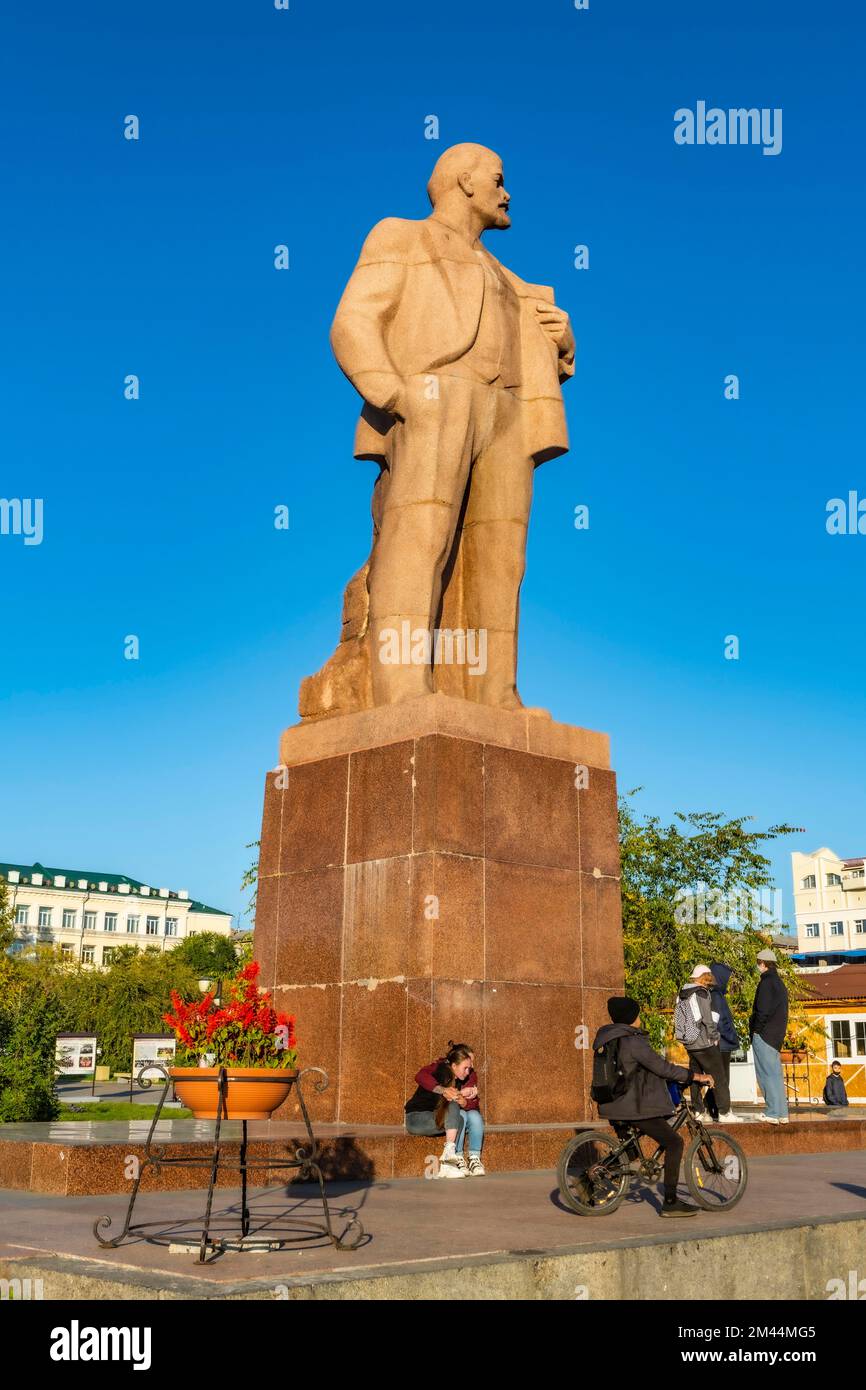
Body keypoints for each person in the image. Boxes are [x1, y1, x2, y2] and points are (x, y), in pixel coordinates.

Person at [593, 997, 713, 1217]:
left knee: (628, 1152)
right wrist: (694, 1076)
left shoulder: (609, 1039)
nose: (639, 1018)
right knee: (674, 1142)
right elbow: (662, 1067)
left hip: (613, 1104)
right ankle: (670, 1202)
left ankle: (589, 1181)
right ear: (631, 1017)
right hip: (632, 1107)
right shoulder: (632, 1041)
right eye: (637, 1014)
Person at [404, 1043, 478, 1178]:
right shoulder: (442, 1071)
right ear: (454, 1066)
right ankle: (449, 1156)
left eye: (469, 1068)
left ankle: (447, 1165)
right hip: (416, 1119)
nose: (468, 1071)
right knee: (454, 1106)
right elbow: (421, 1076)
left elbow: (469, 1104)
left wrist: (465, 1099)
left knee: (460, 1120)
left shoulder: (459, 1079)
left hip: (433, 1118)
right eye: (465, 1068)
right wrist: (445, 1091)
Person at [674, 965, 733, 1121]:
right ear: (706, 977)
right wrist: (715, 1036)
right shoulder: (701, 993)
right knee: (719, 1076)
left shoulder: (683, 993)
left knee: (696, 1076)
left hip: (689, 1042)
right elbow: (707, 1019)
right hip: (703, 1042)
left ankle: (699, 1111)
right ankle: (725, 1113)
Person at [749, 948, 790, 1124]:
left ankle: (772, 1112)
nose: (758, 966)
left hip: (764, 1035)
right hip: (776, 1035)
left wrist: (756, 1030)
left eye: (758, 963)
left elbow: (762, 1011)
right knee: (775, 1074)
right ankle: (782, 1113)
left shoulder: (766, 983)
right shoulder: (780, 983)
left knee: (765, 1074)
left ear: (763, 963)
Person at [708, 961, 744, 1124]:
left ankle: (712, 1108)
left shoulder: (715, 994)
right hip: (721, 1043)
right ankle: (723, 1110)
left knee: (718, 1078)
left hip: (721, 1042)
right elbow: (720, 1021)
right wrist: (730, 1037)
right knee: (722, 1079)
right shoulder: (716, 996)